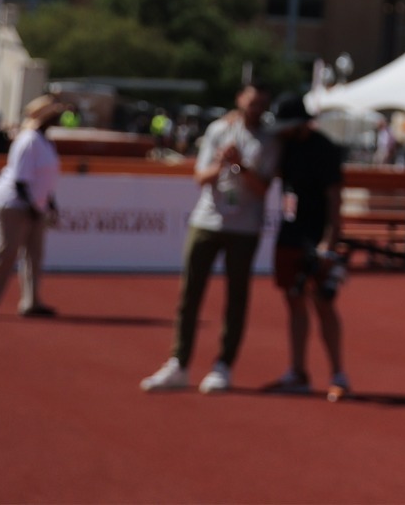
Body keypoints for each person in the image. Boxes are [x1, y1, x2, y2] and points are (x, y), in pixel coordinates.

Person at [141, 86, 278, 394]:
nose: (255, 106)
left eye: (261, 102)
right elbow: (200, 177)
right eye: (250, 100)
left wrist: (241, 165)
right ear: (239, 99)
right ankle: (179, 362)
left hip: (244, 227)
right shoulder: (218, 130)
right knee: (189, 293)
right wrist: (223, 163)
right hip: (206, 220)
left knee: (236, 297)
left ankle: (223, 365)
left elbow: (262, 188)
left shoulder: (269, 140)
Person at [264, 95, 350, 400]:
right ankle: (298, 371)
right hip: (290, 234)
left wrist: (330, 241)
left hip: (317, 237)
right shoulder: (285, 146)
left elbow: (334, 199)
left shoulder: (324, 149)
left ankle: (339, 374)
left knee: (323, 304)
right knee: (293, 300)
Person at [0, 94, 64, 318]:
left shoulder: (45, 141)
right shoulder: (28, 140)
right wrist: (34, 207)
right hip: (14, 204)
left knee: (34, 254)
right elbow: (20, 180)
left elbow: (44, 178)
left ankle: (31, 302)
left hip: (35, 206)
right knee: (7, 252)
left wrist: (48, 203)